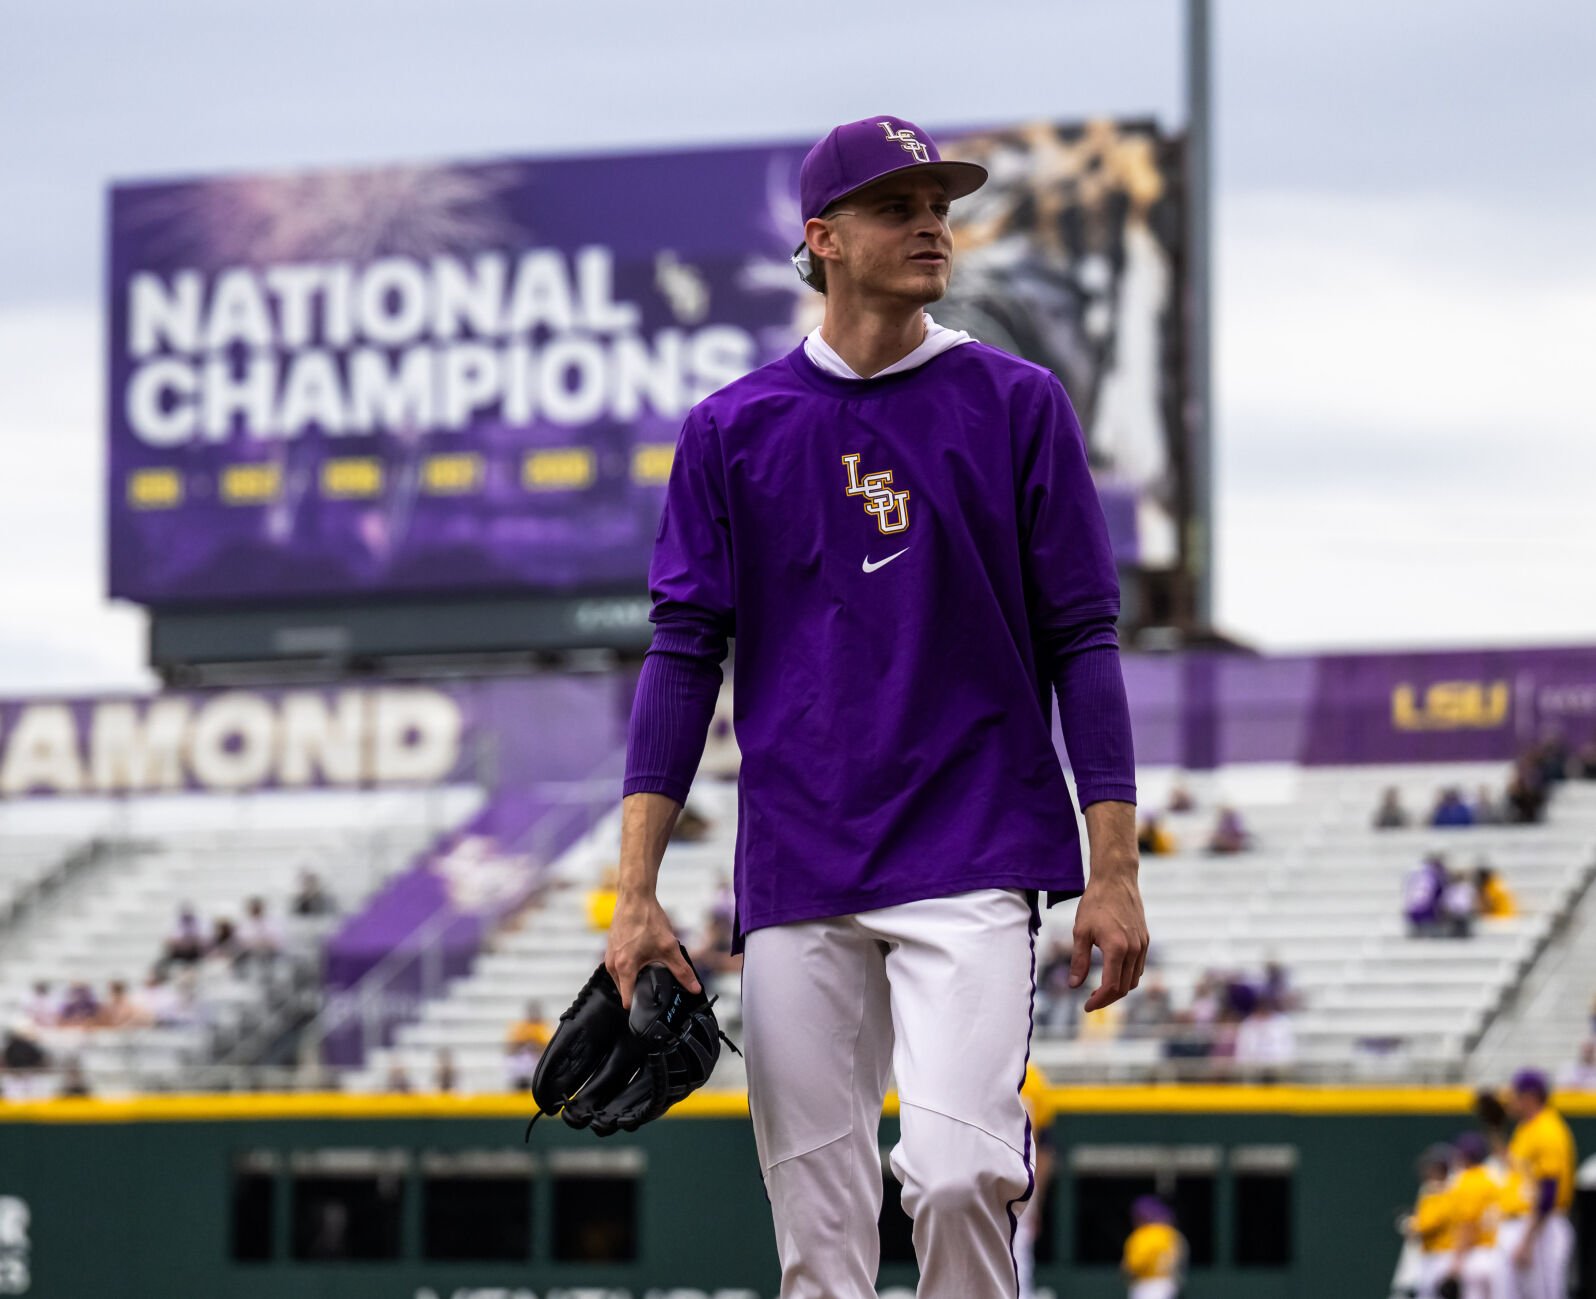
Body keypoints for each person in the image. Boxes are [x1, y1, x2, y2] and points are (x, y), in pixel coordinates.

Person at [606, 114, 1147, 1299]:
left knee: (958, 1177)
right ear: (824, 240)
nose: (931, 225)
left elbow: (1084, 640)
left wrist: (1114, 868)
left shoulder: (1018, 403)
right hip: (801, 866)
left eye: (939, 205)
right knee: (821, 1244)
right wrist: (635, 892)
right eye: (899, 207)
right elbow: (683, 654)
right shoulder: (730, 431)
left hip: (974, 846)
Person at [1500, 1068, 1577, 1297]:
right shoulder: (1526, 1128)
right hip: (1526, 1224)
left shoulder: (1548, 1130)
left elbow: (1548, 1190)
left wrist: (1527, 1240)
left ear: (1530, 1096)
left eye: (1515, 1095)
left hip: (1543, 1226)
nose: (1511, 1101)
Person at [1013, 1061, 1057, 1299]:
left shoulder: (978, 1064)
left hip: (984, 1172)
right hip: (1021, 1179)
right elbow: (1047, 1150)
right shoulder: (1035, 1078)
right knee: (1019, 1258)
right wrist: (1037, 1197)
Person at [1403, 1143, 1460, 1299]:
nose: (1427, 1171)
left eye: (1432, 1166)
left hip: (1445, 1256)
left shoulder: (1450, 1192)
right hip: (1430, 1256)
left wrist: (1411, 1224)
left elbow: (1430, 1223)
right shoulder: (1429, 1193)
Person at [1121, 1195, 1184, 1299]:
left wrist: (1126, 1269)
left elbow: (1134, 1264)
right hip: (1168, 1283)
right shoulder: (1170, 1233)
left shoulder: (1145, 1234)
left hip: (1147, 1285)